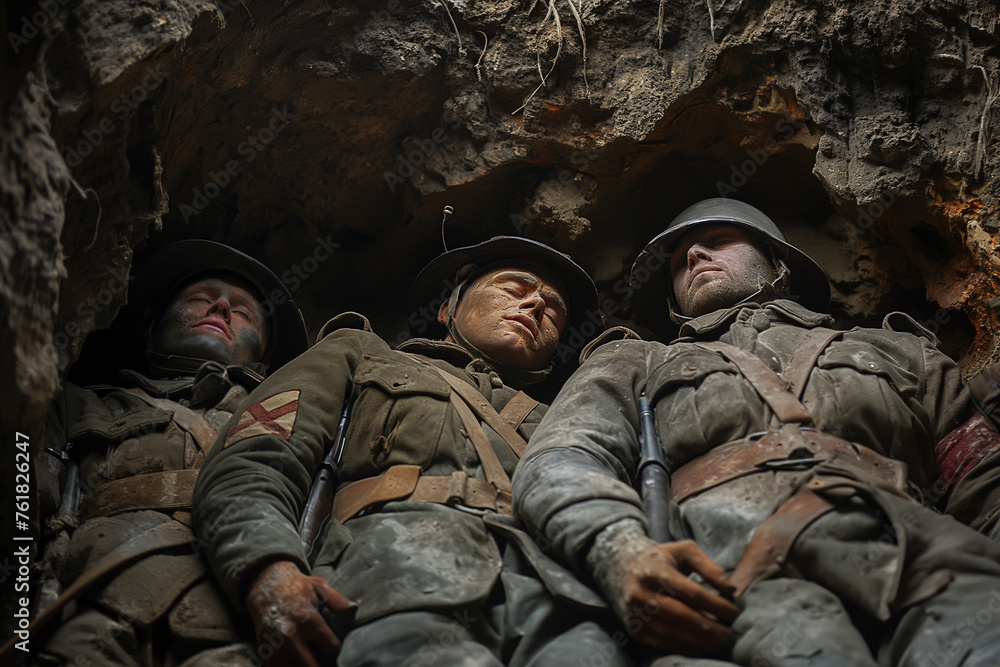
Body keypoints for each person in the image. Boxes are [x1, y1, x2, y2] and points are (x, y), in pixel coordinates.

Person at [512, 198, 1000, 667]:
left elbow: (980, 475)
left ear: (777, 262)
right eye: (680, 261)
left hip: (925, 552)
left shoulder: (898, 349)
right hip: (729, 574)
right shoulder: (634, 361)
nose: (695, 257)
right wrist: (616, 548)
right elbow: (562, 459)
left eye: (717, 241)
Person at [192, 237, 635, 667]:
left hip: (560, 601)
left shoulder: (569, 409)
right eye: (513, 289)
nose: (536, 305)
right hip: (393, 582)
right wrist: (265, 567)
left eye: (554, 310)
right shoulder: (361, 354)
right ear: (447, 310)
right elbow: (256, 456)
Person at [28, 240, 309, 667]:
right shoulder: (76, 403)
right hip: (91, 602)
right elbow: (22, 501)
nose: (220, 308)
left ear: (264, 366)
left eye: (245, 312)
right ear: (151, 325)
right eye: (200, 298)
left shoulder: (283, 416)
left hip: (232, 626)